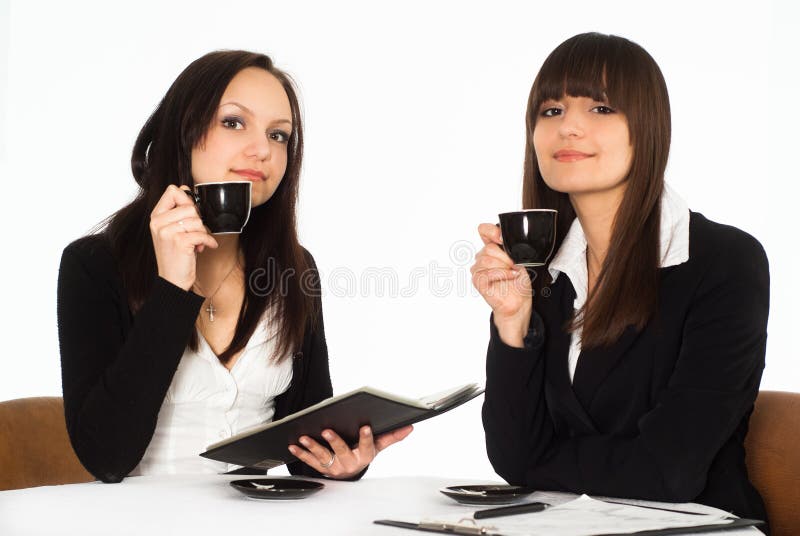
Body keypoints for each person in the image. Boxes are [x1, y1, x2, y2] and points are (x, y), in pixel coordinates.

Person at [57, 50, 412, 483]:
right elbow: (106, 457)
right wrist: (172, 288)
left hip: (259, 518)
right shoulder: (93, 265)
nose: (262, 149)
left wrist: (339, 461)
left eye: (279, 135)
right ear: (183, 132)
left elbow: (305, 447)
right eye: (233, 122)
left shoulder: (295, 269)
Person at [471, 33, 769, 526]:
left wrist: (547, 465)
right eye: (551, 111)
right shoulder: (545, 273)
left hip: (698, 526)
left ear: (647, 127)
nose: (569, 128)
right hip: (575, 525)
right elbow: (513, 457)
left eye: (601, 109)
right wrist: (512, 322)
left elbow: (669, 471)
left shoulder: (725, 262)